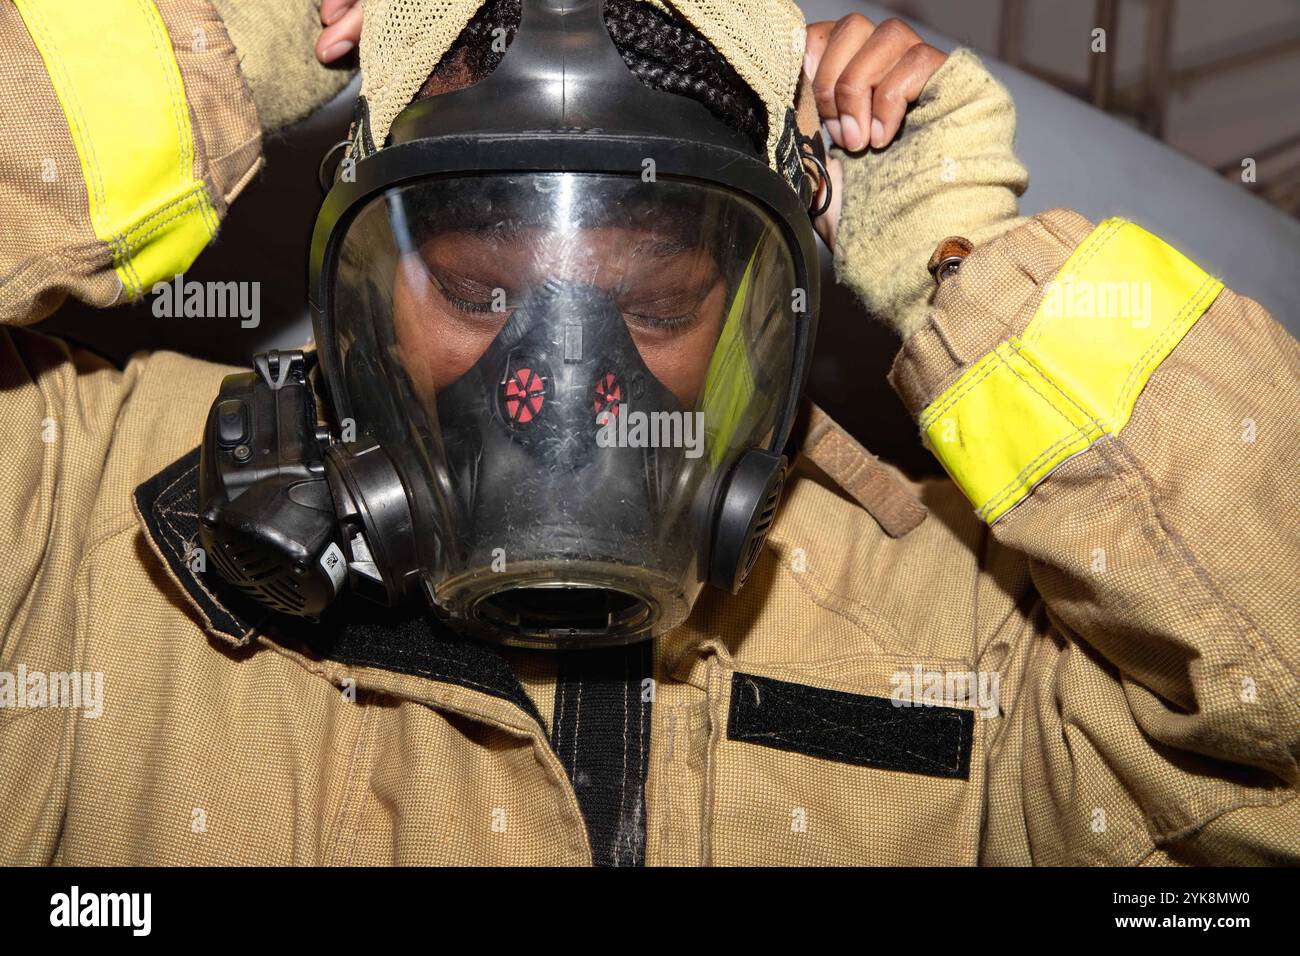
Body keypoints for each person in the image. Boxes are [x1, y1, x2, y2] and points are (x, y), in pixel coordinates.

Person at [0, 0, 1295, 868]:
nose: (558, 382)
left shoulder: (961, 666)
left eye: (660, 302)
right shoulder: (88, 525)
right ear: (362, 284)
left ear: (756, 319)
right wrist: (202, 51)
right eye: (477, 291)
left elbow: (1268, 746)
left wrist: (961, 266)